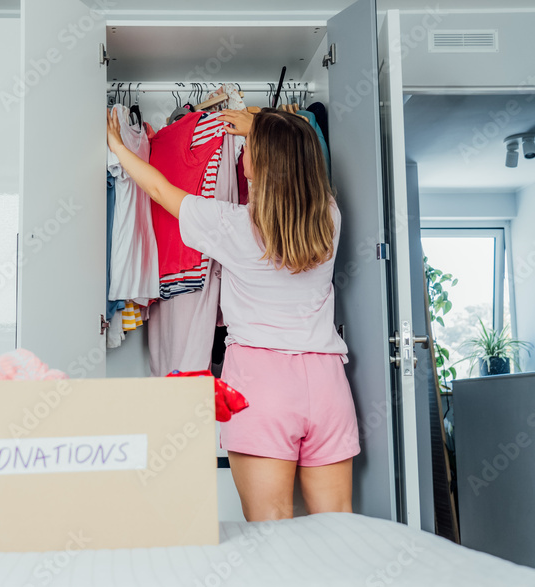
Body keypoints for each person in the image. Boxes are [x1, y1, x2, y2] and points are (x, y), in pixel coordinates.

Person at [106, 106, 358, 521]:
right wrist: (265, 123)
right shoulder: (328, 218)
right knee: (337, 527)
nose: (241, 153)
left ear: (259, 164)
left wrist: (118, 146)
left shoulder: (233, 226)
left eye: (249, 147)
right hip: (328, 384)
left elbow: (159, 190)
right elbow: (298, 150)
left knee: (270, 530)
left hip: (262, 386)